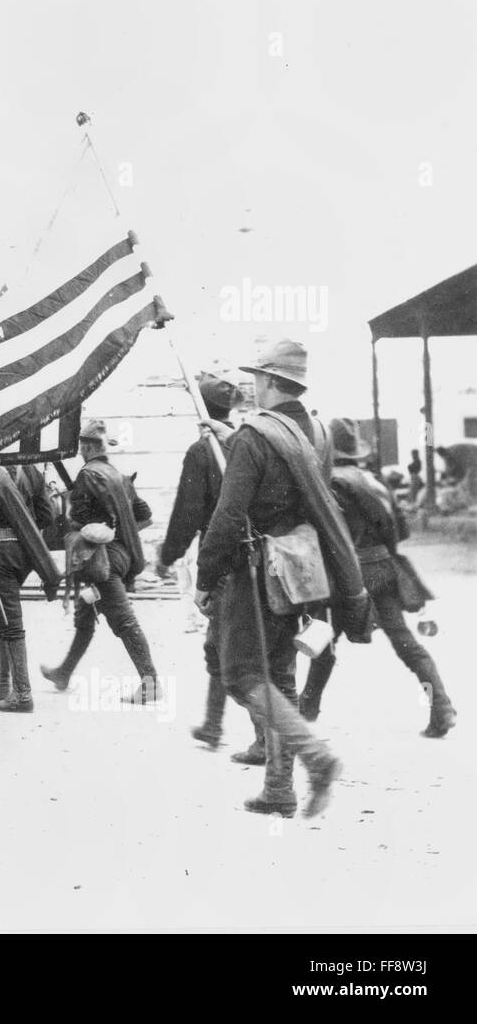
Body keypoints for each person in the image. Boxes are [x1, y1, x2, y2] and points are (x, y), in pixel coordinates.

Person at [196, 339, 371, 818]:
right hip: (302, 571)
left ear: (271, 381)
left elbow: (228, 517)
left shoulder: (255, 436)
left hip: (254, 573)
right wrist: (231, 438)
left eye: (256, 379)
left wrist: (204, 577)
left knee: (240, 675)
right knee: (281, 675)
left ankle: (318, 758)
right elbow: (296, 478)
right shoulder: (315, 430)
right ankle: (278, 789)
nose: (252, 388)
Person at [298, 419, 456, 737]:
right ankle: (441, 708)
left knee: (324, 643)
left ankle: (306, 714)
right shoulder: (375, 482)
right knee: (406, 644)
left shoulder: (325, 483)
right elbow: (402, 531)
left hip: (342, 576)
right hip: (381, 570)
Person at [154, 372, 259, 754]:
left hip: (222, 562)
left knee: (228, 652)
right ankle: (214, 726)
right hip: (254, 558)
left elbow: (188, 512)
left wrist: (168, 557)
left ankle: (268, 735)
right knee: (224, 645)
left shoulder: (203, 452)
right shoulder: (248, 444)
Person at [39, 420, 162, 703]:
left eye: (83, 446)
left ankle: (151, 683)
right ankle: (64, 672)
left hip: (102, 562)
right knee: (85, 615)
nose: (81, 451)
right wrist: (119, 533)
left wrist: (74, 512)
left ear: (88, 446)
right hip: (117, 556)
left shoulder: (88, 475)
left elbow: (78, 519)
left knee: (124, 621)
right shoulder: (117, 474)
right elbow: (145, 515)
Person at [0, 463, 60, 712]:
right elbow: (47, 516)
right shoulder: (32, 470)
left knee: (8, 618)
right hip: (24, 551)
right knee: (2, 612)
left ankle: (21, 693)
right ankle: (3, 684)